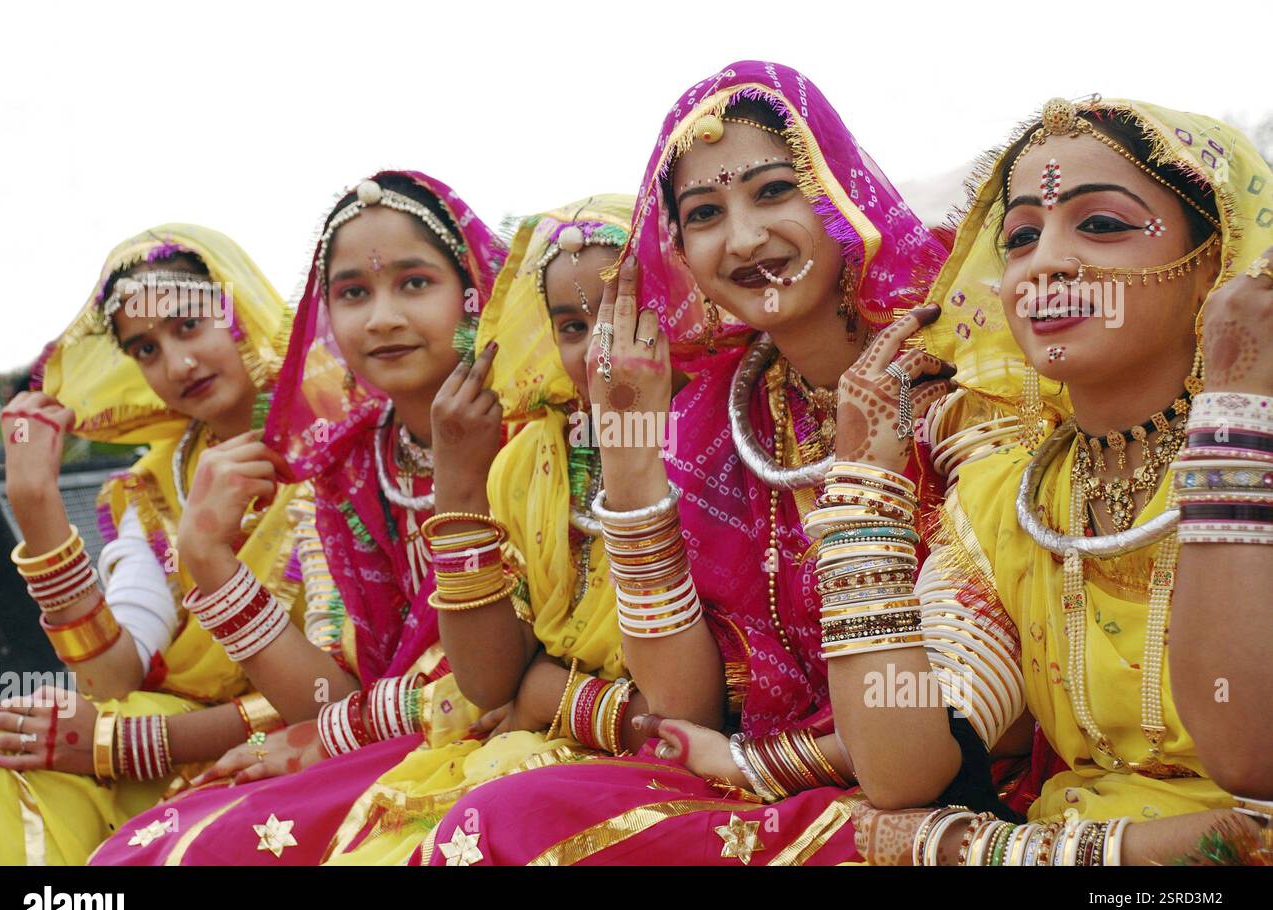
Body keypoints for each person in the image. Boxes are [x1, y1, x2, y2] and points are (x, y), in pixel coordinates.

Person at [411, 63, 1019, 868]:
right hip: (762, 789)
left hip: (943, 796)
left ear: (840, 194)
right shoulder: (713, 418)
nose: (743, 238)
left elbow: (939, 736)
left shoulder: (952, 382)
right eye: (704, 213)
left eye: (773, 192)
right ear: (680, 254)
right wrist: (631, 461)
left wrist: (744, 763)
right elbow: (679, 703)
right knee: (495, 820)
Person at [851, 97, 1273, 865]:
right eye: (1020, 237)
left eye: (1101, 225)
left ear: (1215, 259)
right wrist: (861, 509)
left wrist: (970, 851)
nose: (1043, 263)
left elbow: (1253, 791)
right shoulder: (1006, 499)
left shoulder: (1259, 448)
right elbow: (899, 766)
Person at [91, 171, 503, 864]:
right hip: (367, 736)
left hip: (498, 744)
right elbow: (328, 689)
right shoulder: (346, 465)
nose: (380, 318)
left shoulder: (530, 441)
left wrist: (328, 736)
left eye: (413, 283)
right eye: (352, 293)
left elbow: (501, 682)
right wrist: (208, 558)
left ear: (473, 293)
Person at [323, 196, 664, 865]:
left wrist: (544, 692)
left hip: (669, 762)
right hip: (518, 745)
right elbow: (487, 681)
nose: (598, 351)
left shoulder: (704, 448)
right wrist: (457, 487)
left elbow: (680, 714)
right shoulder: (525, 461)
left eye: (624, 317)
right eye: (570, 325)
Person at [0, 225, 310, 865]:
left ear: (238, 308)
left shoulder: (335, 447)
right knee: (19, 754)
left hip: (315, 737)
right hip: (180, 740)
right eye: (147, 349)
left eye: (189, 326)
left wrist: (121, 744)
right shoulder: (159, 484)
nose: (176, 364)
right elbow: (113, 678)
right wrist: (37, 510)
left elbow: (348, 688)